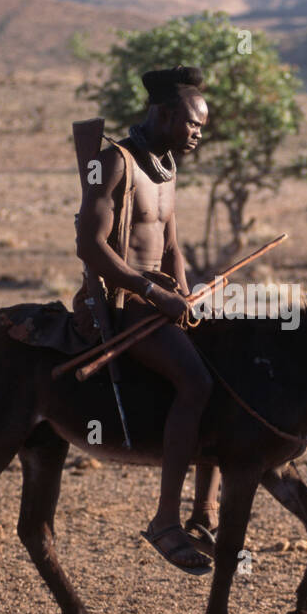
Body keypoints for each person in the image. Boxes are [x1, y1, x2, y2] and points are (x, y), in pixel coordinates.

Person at [75, 65, 218, 574]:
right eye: (194, 124)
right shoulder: (115, 162)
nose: (200, 133)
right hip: (122, 301)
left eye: (202, 125)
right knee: (196, 384)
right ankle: (164, 521)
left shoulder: (166, 166)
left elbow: (172, 243)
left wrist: (186, 290)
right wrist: (151, 292)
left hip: (161, 296)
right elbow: (89, 246)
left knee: (227, 366)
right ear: (162, 114)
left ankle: (205, 514)